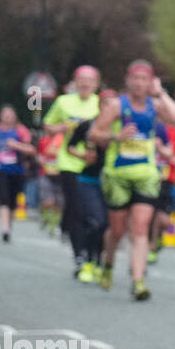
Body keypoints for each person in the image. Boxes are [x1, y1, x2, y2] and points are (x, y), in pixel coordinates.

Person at [90, 62, 175, 299]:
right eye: (135, 78)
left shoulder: (154, 105)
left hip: (146, 175)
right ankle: (108, 263)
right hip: (118, 176)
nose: (139, 83)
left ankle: (138, 281)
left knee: (140, 228)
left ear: (150, 82)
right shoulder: (115, 106)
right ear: (128, 81)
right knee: (117, 230)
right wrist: (116, 135)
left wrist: (161, 92)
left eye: (145, 79)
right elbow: (94, 134)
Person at [43, 65, 104, 272]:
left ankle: (94, 252)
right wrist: (61, 127)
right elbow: (48, 126)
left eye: (90, 80)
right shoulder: (63, 102)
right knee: (77, 210)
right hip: (69, 162)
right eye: (81, 80)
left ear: (97, 84)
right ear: (74, 83)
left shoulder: (102, 104)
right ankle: (79, 254)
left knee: (95, 215)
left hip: (95, 166)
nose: (85, 84)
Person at [65, 89, 118, 282]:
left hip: (113, 182)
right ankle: (86, 260)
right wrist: (82, 155)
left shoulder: (121, 128)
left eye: (113, 104)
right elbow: (70, 146)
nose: (109, 108)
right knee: (96, 221)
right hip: (89, 180)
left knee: (108, 226)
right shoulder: (87, 126)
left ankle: (98, 261)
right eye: (105, 104)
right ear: (99, 105)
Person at [0, 105, 37, 243]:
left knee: (12, 201)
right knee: (3, 198)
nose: (7, 117)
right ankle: (4, 229)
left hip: (17, 170)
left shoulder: (20, 130)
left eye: (10, 115)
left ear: (15, 116)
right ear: (0, 116)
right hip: (0, 169)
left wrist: (16, 145)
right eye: (5, 114)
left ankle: (8, 227)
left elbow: (31, 149)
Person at [149, 119, 175, 263]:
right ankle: (150, 247)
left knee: (165, 221)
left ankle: (157, 241)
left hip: (167, 180)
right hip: (148, 180)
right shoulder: (146, 129)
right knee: (149, 216)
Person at [36, 127, 65, 236]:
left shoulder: (63, 139)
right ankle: (45, 217)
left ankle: (53, 226)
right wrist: (40, 159)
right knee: (48, 201)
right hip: (46, 173)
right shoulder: (44, 140)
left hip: (60, 174)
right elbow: (40, 153)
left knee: (58, 203)